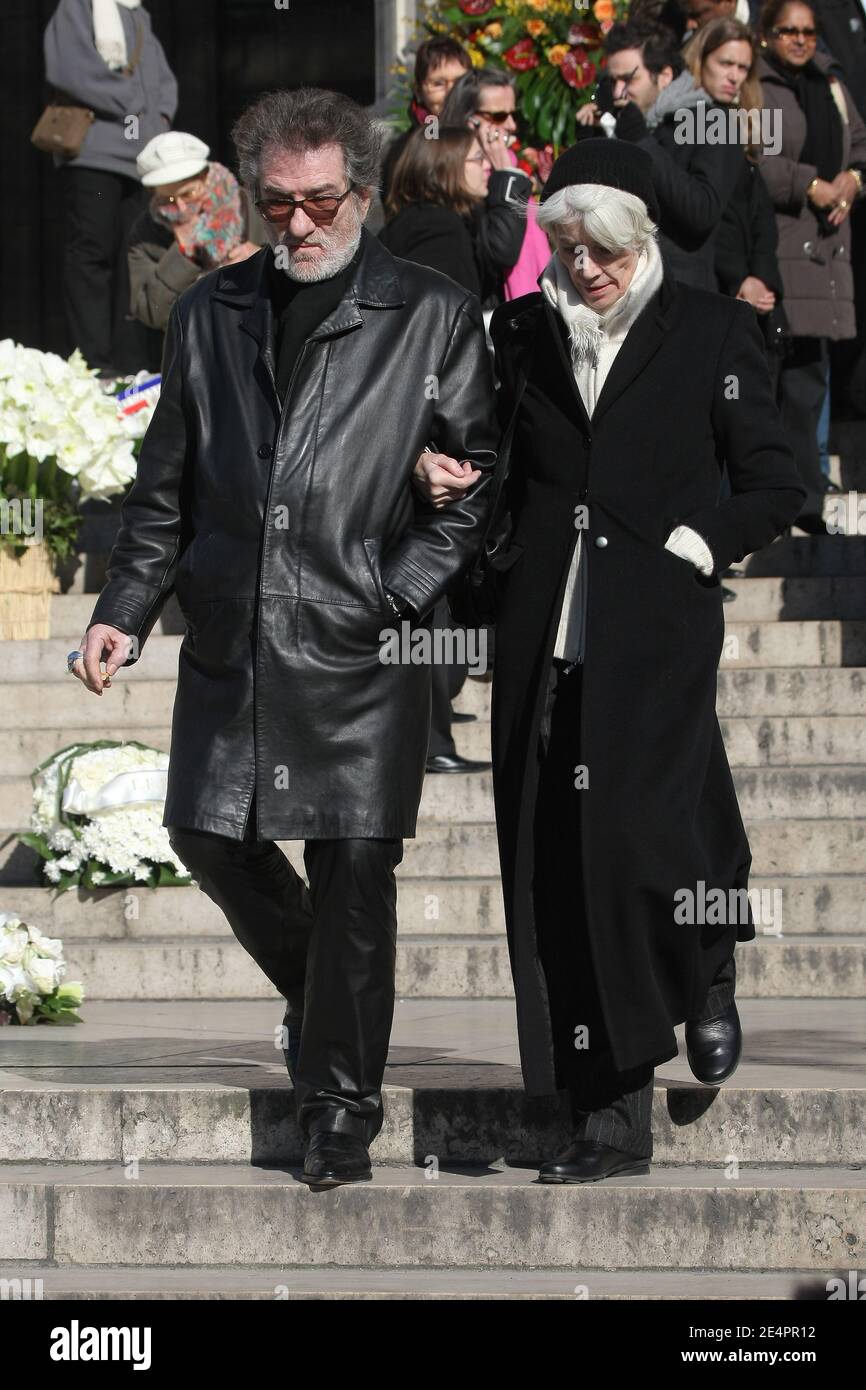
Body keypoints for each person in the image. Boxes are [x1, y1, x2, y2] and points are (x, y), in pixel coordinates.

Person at [70, 87, 499, 1188]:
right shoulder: (210, 311)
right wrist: (122, 611)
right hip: (236, 635)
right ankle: (334, 1015)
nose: (298, 226)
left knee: (355, 867)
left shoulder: (433, 312)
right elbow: (160, 495)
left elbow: (474, 489)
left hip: (361, 643)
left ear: (360, 192)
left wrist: (390, 593)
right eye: (277, 205)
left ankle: (339, 1111)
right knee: (207, 834)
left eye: (319, 204)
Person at [414, 139, 805, 1182]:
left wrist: (697, 542)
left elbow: (779, 481)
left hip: (653, 630)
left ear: (642, 244)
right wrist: (452, 482)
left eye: (603, 249)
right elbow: (502, 462)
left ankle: (701, 966)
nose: (583, 267)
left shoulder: (712, 330)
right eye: (567, 246)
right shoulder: (521, 334)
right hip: (541, 631)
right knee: (556, 861)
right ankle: (603, 1104)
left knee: (636, 842)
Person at [379, 126, 497, 775]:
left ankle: (430, 735)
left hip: (400, 436)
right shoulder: (441, 234)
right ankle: (430, 740)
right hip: (428, 439)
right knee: (429, 594)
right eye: (478, 158)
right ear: (443, 167)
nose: (490, 165)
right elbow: (443, 344)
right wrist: (431, 446)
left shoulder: (406, 229)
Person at [757, 0, 866, 528]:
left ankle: (805, 496)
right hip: (778, 247)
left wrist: (853, 180)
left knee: (809, 379)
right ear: (767, 34)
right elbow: (753, 158)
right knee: (772, 379)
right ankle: (769, 494)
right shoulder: (760, 86)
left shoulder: (831, 82)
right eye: (788, 31)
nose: (800, 41)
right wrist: (810, 184)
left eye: (807, 32)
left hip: (826, 253)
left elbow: (859, 145)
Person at [43, 0, 178, 375]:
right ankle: (93, 362)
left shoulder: (137, 10)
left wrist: (159, 116)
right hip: (95, 156)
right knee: (93, 252)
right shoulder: (76, 6)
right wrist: (133, 103)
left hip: (139, 160)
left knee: (133, 256)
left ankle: (132, 362)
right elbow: (69, 69)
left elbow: (161, 78)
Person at [579, 20, 743, 289]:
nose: (619, 92)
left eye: (629, 79)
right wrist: (589, 143)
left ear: (664, 76)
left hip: (681, 294)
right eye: (613, 80)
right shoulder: (622, 123)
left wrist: (641, 142)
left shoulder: (712, 122)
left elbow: (700, 211)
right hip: (620, 291)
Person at [685, 18, 788, 376]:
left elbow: (759, 212)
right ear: (701, 60)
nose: (734, 76)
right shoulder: (686, 123)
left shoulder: (738, 122)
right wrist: (739, 277)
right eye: (725, 63)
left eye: (743, 67)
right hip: (708, 286)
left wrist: (761, 275)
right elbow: (711, 214)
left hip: (746, 289)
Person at [127, 132, 263, 335]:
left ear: (206, 178)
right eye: (168, 200)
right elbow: (150, 312)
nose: (181, 208)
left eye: (188, 194)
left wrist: (262, 262)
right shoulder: (146, 231)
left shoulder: (255, 206)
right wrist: (183, 254)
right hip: (189, 346)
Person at [440, 67, 552, 304]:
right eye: (500, 116)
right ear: (469, 121)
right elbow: (503, 250)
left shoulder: (508, 165)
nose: (511, 125)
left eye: (513, 114)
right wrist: (504, 173)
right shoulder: (456, 178)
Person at [380, 35, 471, 206]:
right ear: (420, 91)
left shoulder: (487, 136)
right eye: (438, 83)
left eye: (460, 82)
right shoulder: (407, 151)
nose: (452, 92)